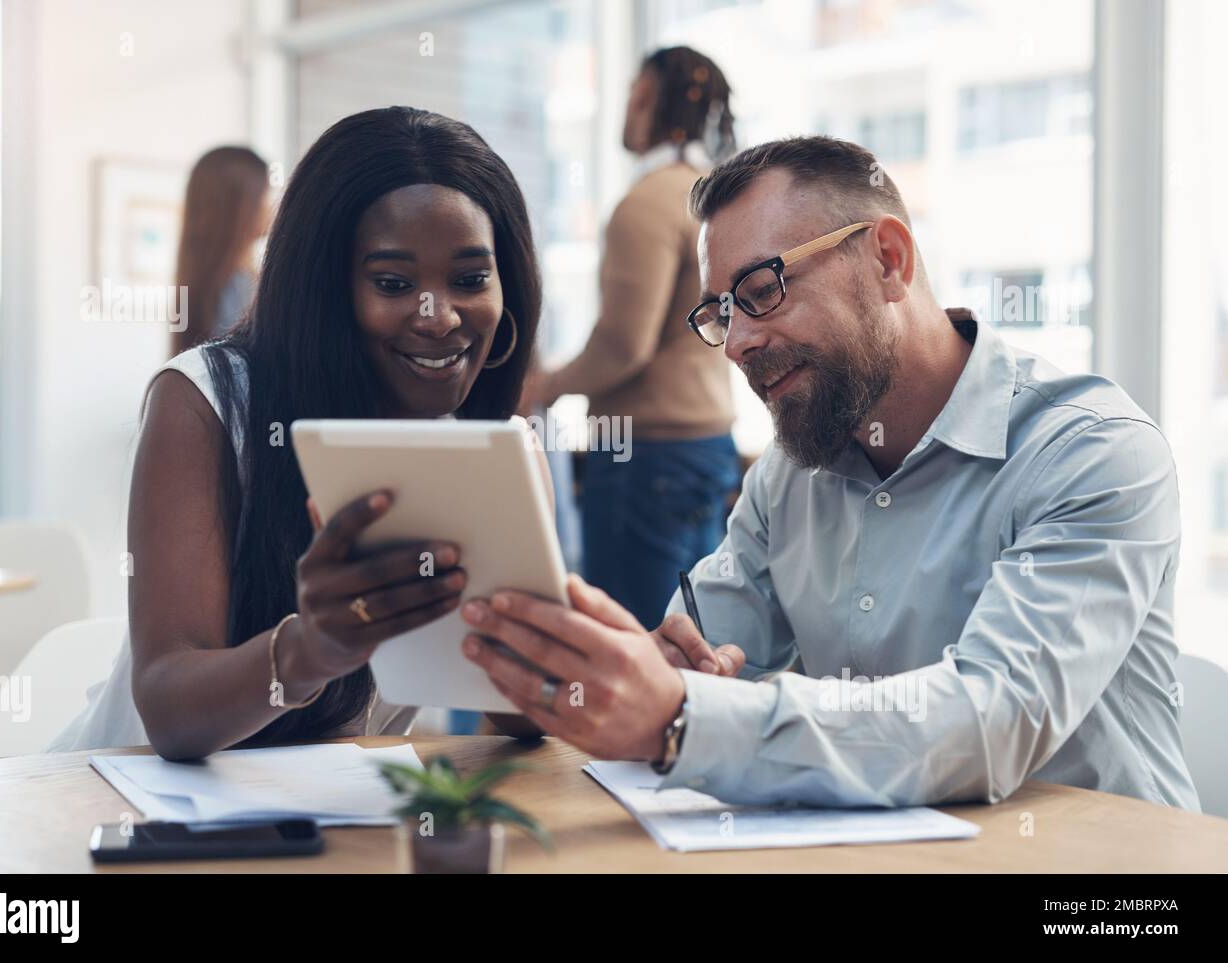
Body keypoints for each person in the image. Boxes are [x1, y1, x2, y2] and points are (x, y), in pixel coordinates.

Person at [459, 135, 1201, 812]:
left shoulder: (1093, 454)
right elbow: (694, 655)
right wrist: (614, 669)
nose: (738, 343)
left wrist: (679, 717)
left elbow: (985, 720)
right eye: (722, 311)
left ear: (888, 260)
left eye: (761, 290)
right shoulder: (789, 476)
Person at [49, 107, 543, 758]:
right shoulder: (204, 400)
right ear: (326, 287)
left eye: (471, 279)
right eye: (393, 282)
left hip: (326, 826)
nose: (440, 316)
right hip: (126, 813)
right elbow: (169, 711)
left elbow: (519, 714)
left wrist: (578, 664)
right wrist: (309, 650)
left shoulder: (499, 448)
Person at [521, 46, 738, 630]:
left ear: (648, 101)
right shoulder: (716, 198)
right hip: (708, 446)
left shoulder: (645, 204)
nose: (625, 109)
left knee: (633, 640)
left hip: (644, 455)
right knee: (698, 635)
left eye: (632, 94)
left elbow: (624, 345)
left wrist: (543, 385)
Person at [170, 146, 271, 357]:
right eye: (266, 196)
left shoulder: (207, 284)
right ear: (240, 207)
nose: (273, 206)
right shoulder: (239, 287)